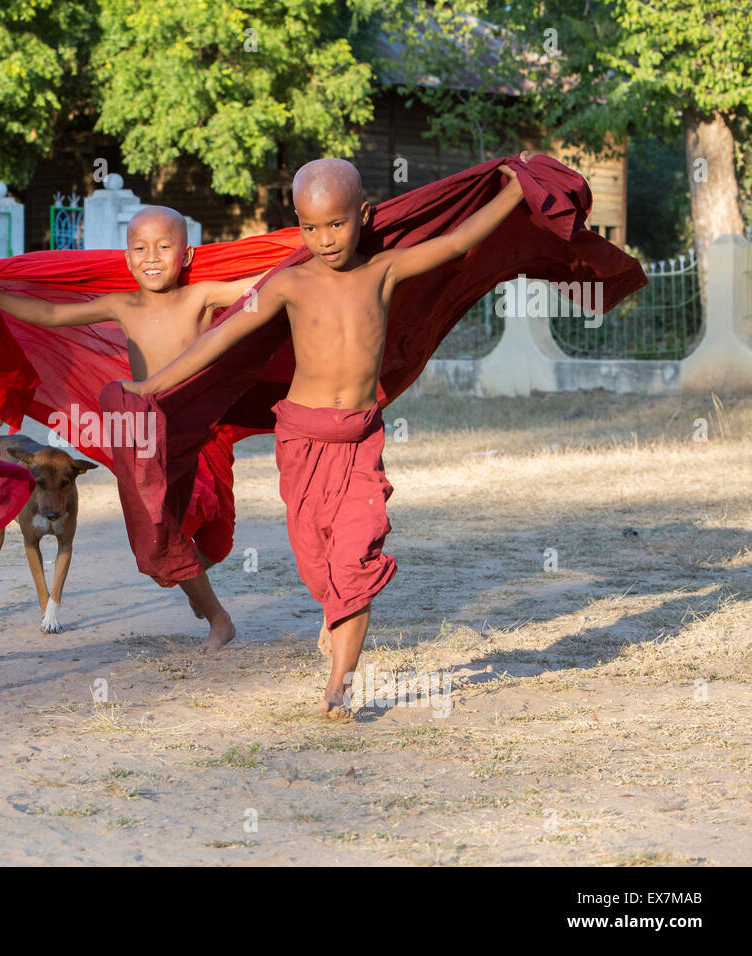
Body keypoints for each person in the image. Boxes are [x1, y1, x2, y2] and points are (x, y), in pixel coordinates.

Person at [125, 159, 528, 717]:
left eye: (336, 225)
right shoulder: (289, 283)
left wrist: (514, 190)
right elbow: (220, 339)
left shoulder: (384, 271)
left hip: (360, 439)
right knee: (317, 559)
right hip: (301, 441)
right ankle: (333, 611)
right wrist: (152, 384)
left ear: (362, 216)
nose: (324, 239)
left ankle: (339, 683)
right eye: (310, 228)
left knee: (356, 555)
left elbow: (459, 241)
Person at [0, 206, 262, 651]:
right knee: (161, 533)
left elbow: (261, 287)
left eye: (164, 246)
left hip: (205, 433)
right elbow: (53, 315)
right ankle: (217, 617)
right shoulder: (122, 305)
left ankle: (194, 584)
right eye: (140, 248)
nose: (152, 256)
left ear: (186, 255)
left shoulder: (201, 296)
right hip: (149, 439)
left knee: (217, 535)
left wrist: (309, 265)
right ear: (127, 259)